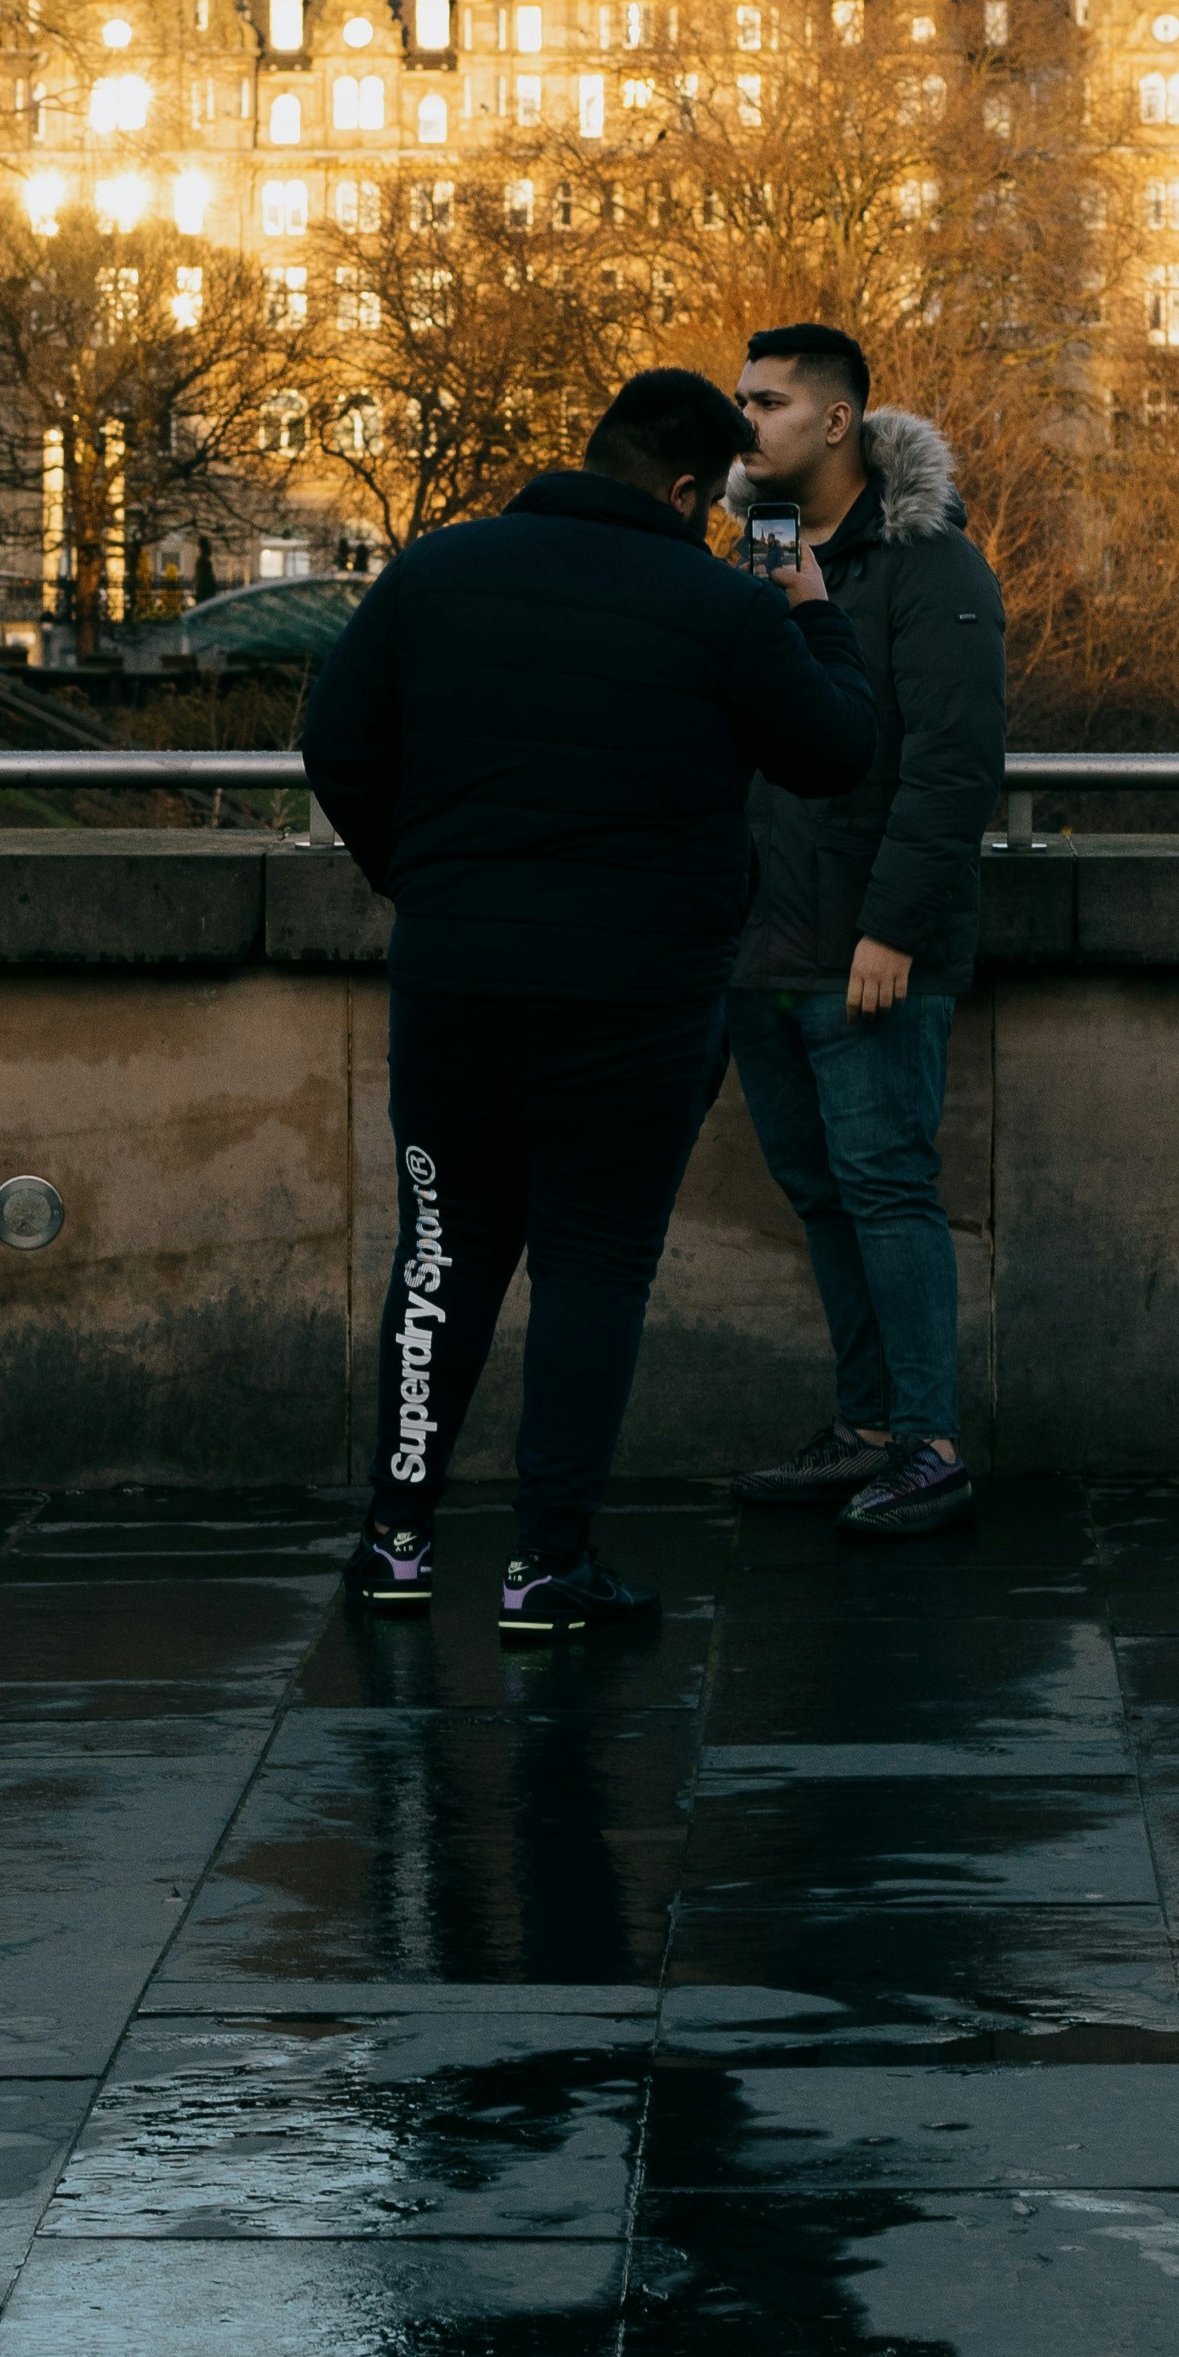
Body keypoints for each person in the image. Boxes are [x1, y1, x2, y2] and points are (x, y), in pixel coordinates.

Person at [301, 363, 876, 1632]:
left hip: (455, 980)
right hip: (635, 997)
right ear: (683, 487)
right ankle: (542, 1565)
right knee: (591, 1272)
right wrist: (808, 605)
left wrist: (422, 876)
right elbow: (835, 748)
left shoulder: (435, 572)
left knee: (442, 1255)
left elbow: (334, 740)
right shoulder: (717, 607)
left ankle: (395, 1545)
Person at [724, 322, 1011, 1539]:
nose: (744, 425)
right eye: (739, 401)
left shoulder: (928, 567)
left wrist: (890, 930)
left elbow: (951, 770)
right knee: (820, 1194)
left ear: (835, 424)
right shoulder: (757, 557)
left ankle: (929, 1443)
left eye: (769, 403)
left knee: (886, 1188)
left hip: (869, 950)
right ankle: (868, 1429)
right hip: (760, 946)